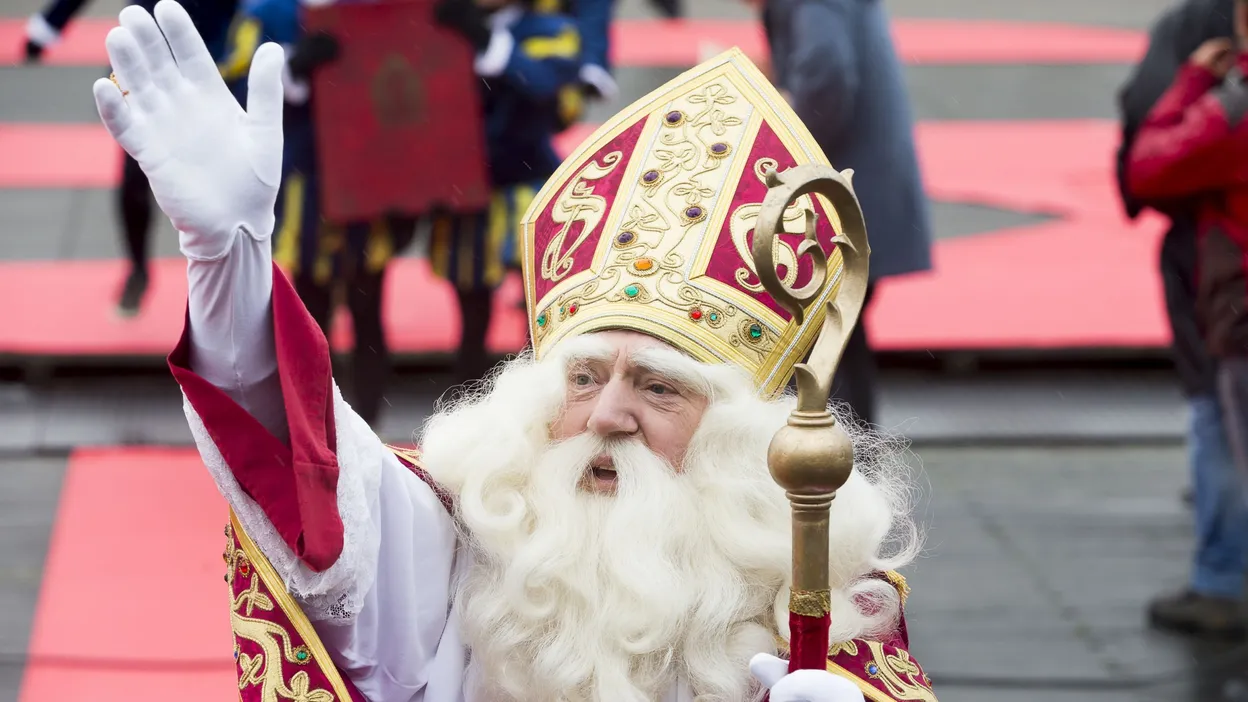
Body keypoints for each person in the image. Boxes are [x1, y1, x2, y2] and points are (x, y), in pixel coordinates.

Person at [93, 2, 936, 700]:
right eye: (584, 376)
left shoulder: (819, 619)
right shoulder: (472, 546)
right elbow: (306, 466)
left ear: (740, 441)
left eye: (659, 387)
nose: (608, 414)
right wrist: (229, 263)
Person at [1115, 0, 1248, 639]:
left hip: (1228, 284)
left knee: (1219, 423)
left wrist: (1194, 81)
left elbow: (1148, 163)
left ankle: (1221, 579)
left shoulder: (1232, 104)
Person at [219, 0, 417, 429]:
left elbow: (412, 92)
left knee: (368, 313)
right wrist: (290, 68)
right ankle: (314, 431)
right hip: (304, 185)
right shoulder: (268, 14)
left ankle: (369, 431)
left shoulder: (379, 11)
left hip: (370, 185)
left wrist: (410, 192)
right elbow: (233, 95)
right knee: (310, 316)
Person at [759, 0, 932, 428]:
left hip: (842, 203)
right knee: (838, 339)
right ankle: (853, 458)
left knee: (824, 342)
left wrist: (778, 141)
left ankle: (835, 459)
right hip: (856, 194)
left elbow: (826, 78)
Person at [22, 0, 239, 316]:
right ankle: (137, 268)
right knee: (135, 179)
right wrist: (50, 25)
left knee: (224, 185)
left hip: (214, 64)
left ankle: (231, 273)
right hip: (141, 65)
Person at [427, 0, 584, 385]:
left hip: (529, 188)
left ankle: (541, 402)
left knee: (541, 317)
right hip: (463, 194)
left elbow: (544, 86)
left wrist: (484, 39)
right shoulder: (436, 28)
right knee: (471, 320)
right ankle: (467, 407)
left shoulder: (551, 29)